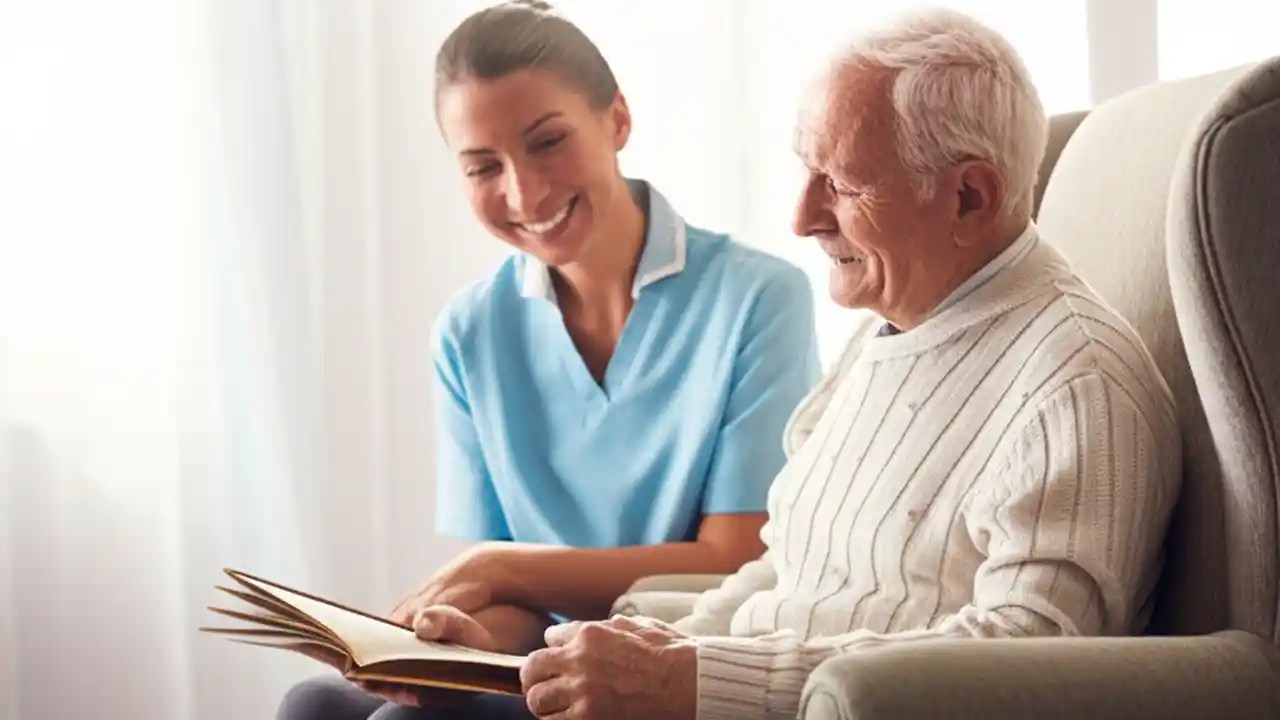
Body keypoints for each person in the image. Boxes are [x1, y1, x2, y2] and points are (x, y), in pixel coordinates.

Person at [407, 8, 1183, 720]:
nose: (802, 217)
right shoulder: (890, 333)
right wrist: (638, 652)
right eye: (806, 172)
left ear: (969, 198)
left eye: (839, 184)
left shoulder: (1074, 385)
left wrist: (690, 680)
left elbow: (1032, 657)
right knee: (366, 703)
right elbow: (785, 570)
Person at [276, 1, 819, 719]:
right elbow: (524, 604)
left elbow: (736, 557)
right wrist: (463, 641)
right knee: (314, 703)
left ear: (617, 120)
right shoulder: (470, 331)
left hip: (677, 665)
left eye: (548, 142)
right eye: (483, 166)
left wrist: (497, 566)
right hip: (548, 659)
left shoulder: (758, 297)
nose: (523, 191)